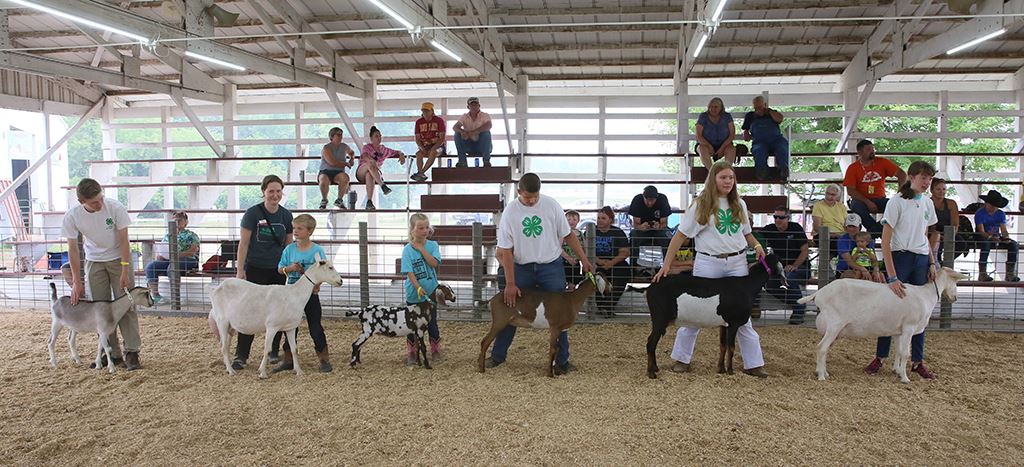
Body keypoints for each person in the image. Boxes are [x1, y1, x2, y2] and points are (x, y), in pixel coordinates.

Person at [652, 161, 769, 378]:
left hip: (737, 263)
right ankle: (682, 359)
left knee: (742, 315)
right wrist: (667, 264)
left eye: (731, 178)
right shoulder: (701, 205)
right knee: (694, 312)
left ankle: (754, 363)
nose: (728, 182)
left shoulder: (739, 204)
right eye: (723, 177)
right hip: (708, 263)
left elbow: (747, 234)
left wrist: (757, 246)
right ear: (713, 178)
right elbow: (680, 235)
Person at [484, 173, 593, 374]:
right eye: (527, 197)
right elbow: (505, 250)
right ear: (519, 193)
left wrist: (584, 259)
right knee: (509, 309)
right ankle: (498, 356)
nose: (532, 200)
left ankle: (562, 361)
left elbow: (568, 235)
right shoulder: (510, 212)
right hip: (521, 267)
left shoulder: (551, 205)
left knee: (561, 314)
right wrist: (510, 283)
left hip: (550, 266)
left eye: (535, 196)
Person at [865, 160, 939, 380]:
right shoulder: (896, 202)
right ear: (912, 177)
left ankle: (917, 361)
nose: (927, 182)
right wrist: (893, 275)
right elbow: (885, 241)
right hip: (901, 257)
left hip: (920, 259)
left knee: (919, 314)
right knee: (890, 307)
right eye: (924, 177)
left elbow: (925, 236)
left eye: (930, 178)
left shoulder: (927, 203)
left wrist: (932, 262)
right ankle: (880, 356)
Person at [61, 178, 143, 371]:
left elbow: (124, 241)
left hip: (118, 258)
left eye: (100, 198)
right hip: (93, 261)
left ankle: (132, 351)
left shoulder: (115, 207)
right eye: (94, 202)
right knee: (100, 308)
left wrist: (124, 269)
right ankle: (111, 353)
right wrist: (76, 281)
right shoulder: (72, 216)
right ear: (82, 202)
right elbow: (73, 249)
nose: (100, 204)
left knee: (126, 304)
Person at [232, 175, 294, 371]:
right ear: (264, 192)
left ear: (282, 192)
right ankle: (241, 354)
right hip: (255, 268)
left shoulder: (286, 216)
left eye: (278, 191)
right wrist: (240, 270)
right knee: (250, 309)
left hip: (277, 270)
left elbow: (289, 244)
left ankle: (273, 351)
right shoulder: (252, 213)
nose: (275, 195)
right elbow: (244, 243)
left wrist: (289, 269)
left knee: (276, 311)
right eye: (271, 191)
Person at [272, 214, 332, 373]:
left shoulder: (317, 250)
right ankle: (289, 358)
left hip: (310, 294)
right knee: (289, 327)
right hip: (291, 294)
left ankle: (324, 358)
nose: (296, 231)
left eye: (300, 228)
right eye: (294, 228)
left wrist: (317, 284)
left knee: (315, 326)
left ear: (310, 231)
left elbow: (323, 269)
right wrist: (290, 268)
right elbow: (280, 269)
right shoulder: (289, 249)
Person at [401, 213, 444, 364]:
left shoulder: (433, 245)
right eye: (420, 228)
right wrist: (418, 287)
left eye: (426, 227)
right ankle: (412, 351)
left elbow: (434, 263)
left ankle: (435, 349)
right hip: (414, 293)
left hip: (431, 293)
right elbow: (409, 272)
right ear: (412, 229)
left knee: (432, 322)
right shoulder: (407, 250)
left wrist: (421, 248)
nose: (424, 231)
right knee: (412, 324)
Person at [843, 139, 907, 235]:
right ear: (860, 152)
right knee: (856, 206)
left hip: (879, 198)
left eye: (873, 149)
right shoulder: (853, 168)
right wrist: (867, 202)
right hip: (861, 200)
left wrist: (899, 193)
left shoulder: (882, 162)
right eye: (868, 149)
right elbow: (851, 191)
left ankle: (874, 232)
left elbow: (902, 174)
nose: (872, 151)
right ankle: (877, 231)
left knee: (895, 206)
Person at [759, 206, 810, 325]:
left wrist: (794, 265)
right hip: (779, 268)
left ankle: (799, 311)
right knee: (768, 284)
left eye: (781, 217)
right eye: (775, 217)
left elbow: (805, 250)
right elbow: (755, 238)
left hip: (801, 267)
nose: (778, 220)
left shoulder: (796, 228)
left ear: (788, 218)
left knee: (789, 277)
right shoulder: (769, 229)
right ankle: (799, 303)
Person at [144, 210, 200, 304]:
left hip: (188, 259)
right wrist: (161, 256)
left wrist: (177, 255)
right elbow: (162, 249)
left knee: (172, 268)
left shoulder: (191, 235)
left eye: (180, 220)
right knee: (151, 267)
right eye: (175, 220)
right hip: (170, 259)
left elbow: (193, 250)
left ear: (186, 222)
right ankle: (156, 295)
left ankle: (176, 296)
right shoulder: (167, 235)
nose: (177, 222)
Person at [974, 189, 1020, 282]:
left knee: (1013, 245)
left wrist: (1006, 238)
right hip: (982, 236)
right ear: (986, 203)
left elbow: (1003, 229)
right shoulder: (979, 213)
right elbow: (981, 231)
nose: (994, 208)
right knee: (985, 244)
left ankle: (1010, 274)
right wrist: (991, 237)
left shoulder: (1000, 214)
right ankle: (982, 273)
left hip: (996, 236)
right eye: (992, 205)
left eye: (996, 206)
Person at [593, 206, 630, 316]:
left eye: (603, 218)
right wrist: (598, 260)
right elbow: (586, 250)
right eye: (598, 218)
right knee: (596, 276)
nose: (599, 220)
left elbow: (625, 252)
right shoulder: (591, 231)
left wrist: (611, 263)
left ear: (611, 220)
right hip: (597, 262)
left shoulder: (618, 232)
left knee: (623, 273)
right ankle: (600, 306)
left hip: (615, 262)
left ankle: (609, 305)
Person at [358, 125, 406, 211]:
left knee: (370, 175)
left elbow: (397, 152)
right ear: (371, 138)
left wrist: (401, 155)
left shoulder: (384, 149)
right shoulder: (367, 147)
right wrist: (370, 160)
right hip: (362, 170)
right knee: (370, 164)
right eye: (376, 136)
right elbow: (364, 156)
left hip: (374, 173)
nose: (379, 138)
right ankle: (382, 185)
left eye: (380, 136)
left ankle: (369, 202)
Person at [741, 95, 790, 180]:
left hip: (776, 139)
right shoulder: (750, 116)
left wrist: (769, 112)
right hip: (759, 141)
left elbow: (780, 119)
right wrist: (746, 135)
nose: (758, 109)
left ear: (765, 104)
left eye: (760, 107)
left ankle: (783, 169)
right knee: (758, 150)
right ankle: (761, 172)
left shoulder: (772, 113)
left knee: (782, 147)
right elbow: (745, 131)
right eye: (755, 107)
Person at [628, 185, 672, 276]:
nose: (649, 202)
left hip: (658, 230)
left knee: (667, 237)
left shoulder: (663, 199)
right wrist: (641, 227)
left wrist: (659, 226)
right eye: (647, 199)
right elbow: (635, 224)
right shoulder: (637, 200)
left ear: (657, 198)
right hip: (641, 230)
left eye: (652, 200)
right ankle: (633, 267)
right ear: (643, 197)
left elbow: (665, 223)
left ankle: (666, 266)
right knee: (633, 236)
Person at [929, 178, 967, 264]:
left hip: (949, 231)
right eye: (938, 189)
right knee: (937, 246)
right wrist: (935, 233)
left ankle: (945, 263)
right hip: (932, 232)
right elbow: (927, 224)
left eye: (943, 189)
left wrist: (950, 235)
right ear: (932, 190)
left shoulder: (951, 203)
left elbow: (955, 223)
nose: (941, 191)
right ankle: (936, 264)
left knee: (961, 244)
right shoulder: (928, 202)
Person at [317, 127, 356, 210]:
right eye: (338, 134)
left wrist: (351, 158)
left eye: (341, 134)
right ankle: (324, 199)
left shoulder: (344, 146)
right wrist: (345, 163)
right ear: (332, 136)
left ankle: (339, 199)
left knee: (345, 178)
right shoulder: (326, 147)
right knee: (323, 180)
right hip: (326, 171)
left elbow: (351, 152)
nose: (340, 136)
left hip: (338, 172)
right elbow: (332, 162)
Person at [695, 97, 736, 168]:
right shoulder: (703, 116)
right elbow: (698, 135)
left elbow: (732, 134)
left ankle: (727, 171)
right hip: (705, 144)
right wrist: (709, 146)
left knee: (731, 149)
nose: (713, 109)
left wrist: (722, 148)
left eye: (716, 107)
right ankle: (711, 172)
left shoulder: (727, 116)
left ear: (721, 108)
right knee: (702, 149)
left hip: (724, 145)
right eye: (711, 107)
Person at [452, 97, 493, 167]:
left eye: (476, 105)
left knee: (486, 133)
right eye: (472, 105)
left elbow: (489, 125)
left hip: (482, 146)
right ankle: (462, 161)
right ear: (468, 107)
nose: (474, 107)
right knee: (457, 134)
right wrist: (463, 132)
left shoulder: (485, 115)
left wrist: (476, 131)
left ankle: (486, 161)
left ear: (479, 106)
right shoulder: (464, 116)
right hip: (469, 145)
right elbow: (455, 127)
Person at [412, 102, 446, 182]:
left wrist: (434, 148)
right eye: (424, 111)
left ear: (432, 111)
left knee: (433, 152)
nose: (425, 113)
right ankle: (421, 173)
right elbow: (417, 138)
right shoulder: (419, 122)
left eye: (427, 111)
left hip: (438, 146)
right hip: (425, 146)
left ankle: (421, 172)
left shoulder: (439, 121)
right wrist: (422, 147)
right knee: (418, 154)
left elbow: (442, 138)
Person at [811, 183, 847, 255]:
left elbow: (846, 224)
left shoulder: (842, 207)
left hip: (840, 235)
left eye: (833, 195)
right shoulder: (818, 205)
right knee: (836, 244)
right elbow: (817, 227)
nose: (829, 196)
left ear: (837, 196)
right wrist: (831, 234)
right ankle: (829, 263)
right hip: (823, 234)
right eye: (827, 193)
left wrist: (842, 234)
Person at [561, 210, 583, 289]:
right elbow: (558, 248)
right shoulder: (562, 233)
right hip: (564, 262)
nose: (571, 222)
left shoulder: (580, 233)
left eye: (574, 219)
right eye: (569, 219)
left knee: (573, 284)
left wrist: (583, 260)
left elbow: (583, 247)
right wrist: (568, 258)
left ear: (578, 221)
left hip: (576, 262)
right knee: (562, 284)